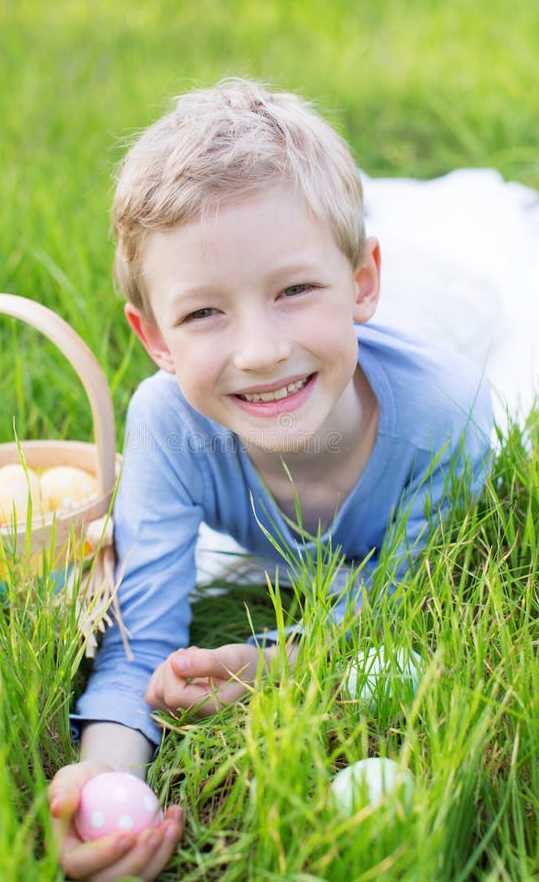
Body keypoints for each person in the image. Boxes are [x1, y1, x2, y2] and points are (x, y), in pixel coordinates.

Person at [48, 78, 493, 879]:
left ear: (360, 285)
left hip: (437, 324)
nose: (258, 350)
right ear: (153, 338)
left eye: (295, 290)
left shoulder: (444, 423)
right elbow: (135, 647)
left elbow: (404, 620)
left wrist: (282, 666)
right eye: (203, 313)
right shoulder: (169, 425)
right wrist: (105, 780)